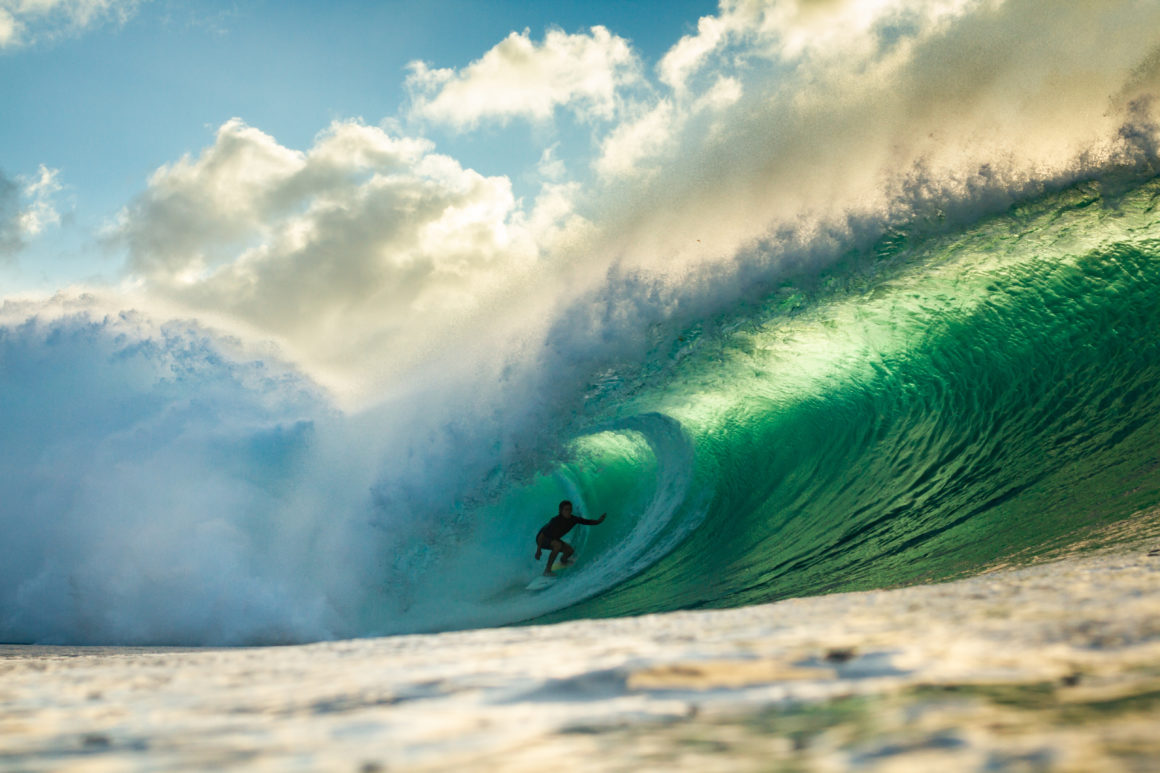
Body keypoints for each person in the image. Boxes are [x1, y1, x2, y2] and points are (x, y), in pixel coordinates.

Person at [534, 500, 606, 576]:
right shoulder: (555, 521)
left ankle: (563, 560)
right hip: (542, 539)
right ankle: (547, 571)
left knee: (570, 551)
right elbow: (542, 535)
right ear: (560, 511)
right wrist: (538, 550)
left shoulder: (573, 519)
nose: (568, 511)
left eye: (570, 509)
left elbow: (586, 521)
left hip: (553, 538)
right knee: (557, 545)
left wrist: (598, 521)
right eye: (566, 510)